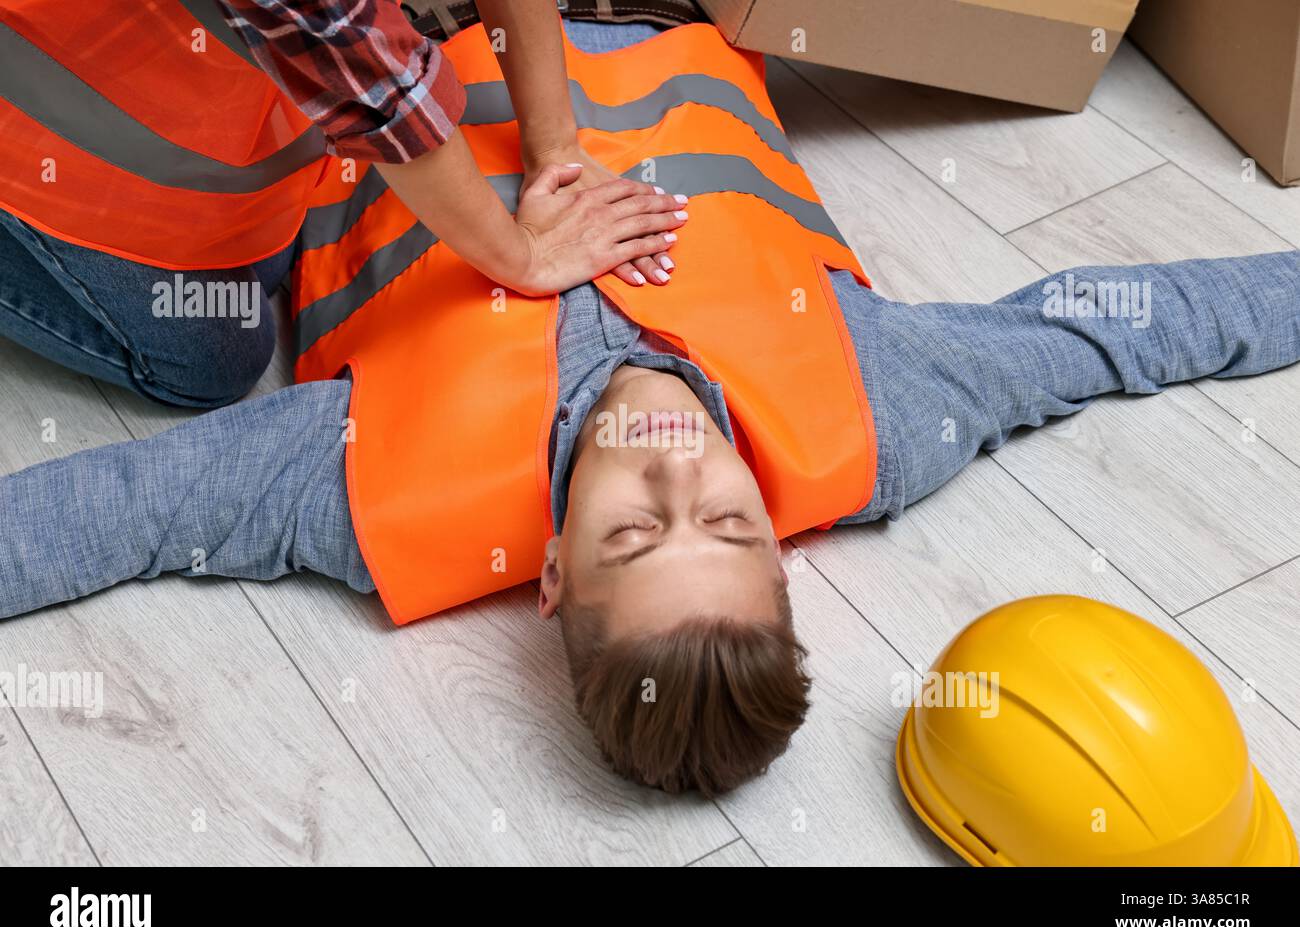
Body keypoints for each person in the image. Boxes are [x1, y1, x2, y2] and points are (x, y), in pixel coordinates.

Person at [3, 20, 1299, 797]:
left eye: (635, 535)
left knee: (201, 350)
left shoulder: (370, 489)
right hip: (643, 12)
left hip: (388, 46)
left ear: (556, 572)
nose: (680, 474)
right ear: (781, 543)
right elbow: (1116, 329)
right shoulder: (889, 410)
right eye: (727, 529)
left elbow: (110, 506)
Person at [0, 0, 682, 408]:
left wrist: (556, 142)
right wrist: (522, 258)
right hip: (29, 113)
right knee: (214, 354)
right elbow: (371, 79)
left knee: (264, 269)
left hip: (140, 81)